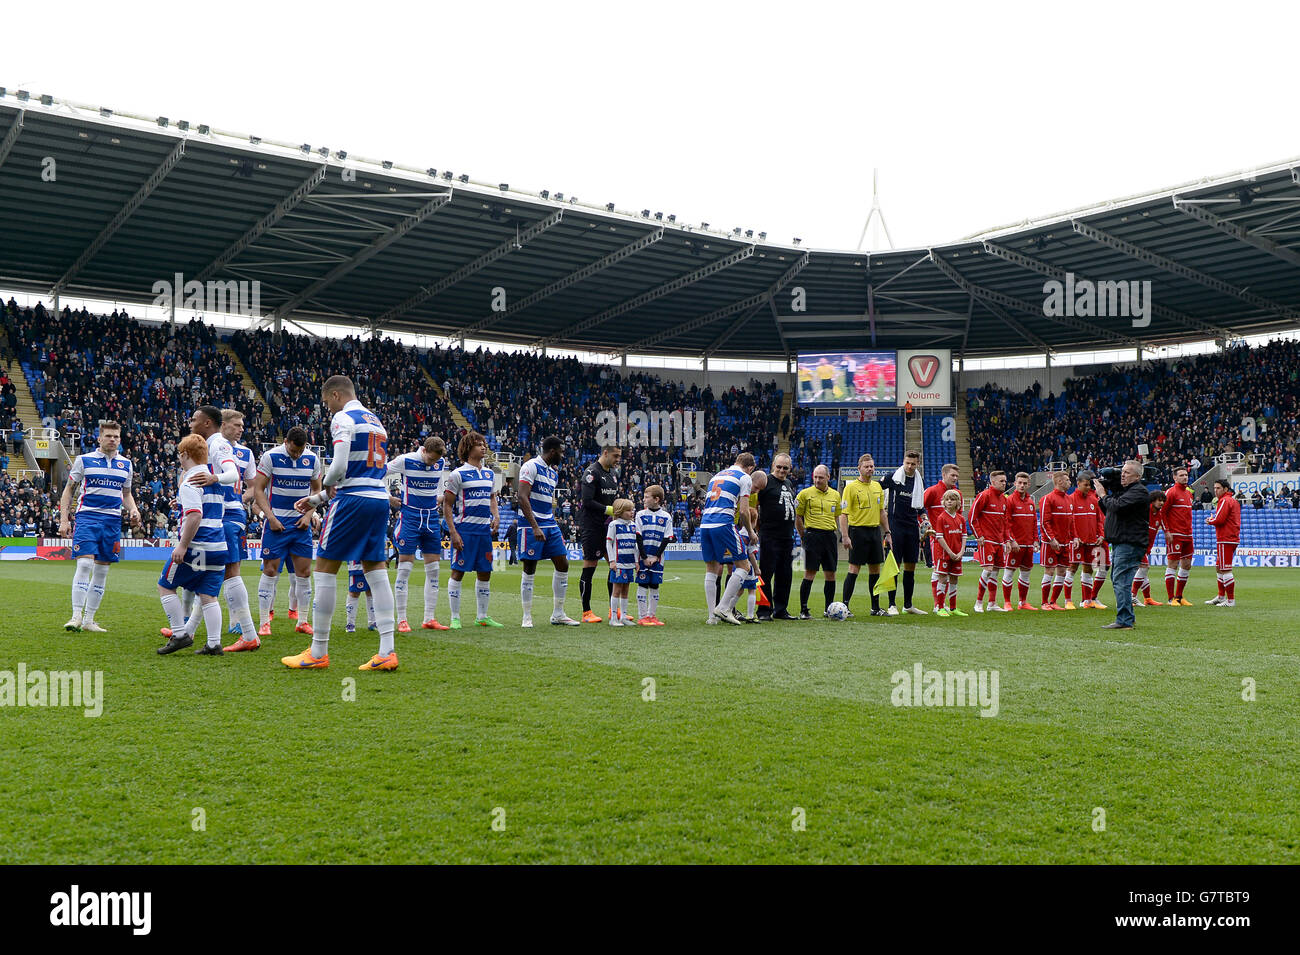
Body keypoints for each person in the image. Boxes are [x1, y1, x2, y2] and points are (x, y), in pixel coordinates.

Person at [283, 375, 400, 670]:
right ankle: (387, 651)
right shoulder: (375, 420)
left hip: (353, 501)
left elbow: (340, 467)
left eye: (326, 402)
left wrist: (326, 485)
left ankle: (318, 651)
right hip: (378, 498)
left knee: (324, 568)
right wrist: (317, 499)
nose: (327, 408)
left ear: (335, 395)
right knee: (376, 571)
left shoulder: (342, 418)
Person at [60, 420, 140, 633]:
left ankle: (89, 620)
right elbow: (68, 490)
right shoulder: (84, 460)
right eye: (108, 436)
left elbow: (126, 494)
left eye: (116, 437)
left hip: (112, 521)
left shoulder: (126, 464)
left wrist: (133, 509)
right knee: (85, 565)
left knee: (102, 571)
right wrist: (64, 520)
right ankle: (76, 616)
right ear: (99, 438)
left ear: (120, 440)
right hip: (87, 517)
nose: (112, 440)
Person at [156, 435, 228, 655]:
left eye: (180, 454)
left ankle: (179, 634)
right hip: (219, 546)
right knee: (208, 596)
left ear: (185, 454)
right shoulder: (215, 481)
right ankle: (214, 644)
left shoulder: (190, 480)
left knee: (165, 585)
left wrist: (183, 546)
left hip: (198, 546)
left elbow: (195, 516)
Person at [250, 426, 321, 639]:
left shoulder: (312, 459)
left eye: (300, 451)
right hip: (276, 523)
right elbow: (258, 490)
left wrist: (309, 515)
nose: (297, 454)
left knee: (304, 572)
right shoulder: (271, 457)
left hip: (301, 524)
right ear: (286, 442)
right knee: (270, 571)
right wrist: (270, 517)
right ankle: (264, 622)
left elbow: (317, 491)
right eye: (293, 450)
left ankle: (302, 621)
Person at [440, 430, 503, 629]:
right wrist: (453, 532)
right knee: (458, 571)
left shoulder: (489, 473)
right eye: (479, 444)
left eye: (484, 443)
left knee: (485, 572)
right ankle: (455, 617)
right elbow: (447, 505)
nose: (483, 447)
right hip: (464, 530)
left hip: (483, 530)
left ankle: (482, 616)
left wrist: (497, 515)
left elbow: (492, 497)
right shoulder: (457, 474)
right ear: (469, 449)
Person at [387, 435, 451, 632]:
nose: (433, 463)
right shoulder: (406, 460)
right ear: (423, 450)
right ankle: (402, 619)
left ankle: (429, 618)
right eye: (430, 459)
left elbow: (438, 488)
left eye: (436, 460)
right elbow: (379, 472)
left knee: (434, 571)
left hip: (432, 518)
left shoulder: (439, 463)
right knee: (405, 568)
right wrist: (387, 496)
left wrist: (443, 497)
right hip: (410, 517)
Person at [516, 436, 580, 628]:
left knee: (563, 563)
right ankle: (527, 616)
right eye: (561, 451)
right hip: (530, 525)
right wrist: (535, 526)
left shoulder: (553, 474)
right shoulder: (530, 466)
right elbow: (521, 496)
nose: (563, 455)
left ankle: (558, 614)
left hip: (549, 523)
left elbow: (545, 500)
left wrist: (550, 522)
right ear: (552, 451)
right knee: (530, 567)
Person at [700, 452, 761, 626]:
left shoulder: (717, 475)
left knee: (711, 569)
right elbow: (744, 511)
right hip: (723, 523)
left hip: (705, 524)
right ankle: (724, 607)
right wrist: (750, 532)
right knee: (744, 565)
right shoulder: (745, 477)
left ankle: (712, 617)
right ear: (750, 468)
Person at [1095, 460, 1154, 630]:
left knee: (1121, 581)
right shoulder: (1126, 492)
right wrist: (1106, 495)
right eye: (1122, 472)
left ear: (1137, 476)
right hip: (1123, 542)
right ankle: (1128, 617)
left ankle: (1125, 620)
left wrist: (1102, 494)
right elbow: (1109, 510)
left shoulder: (1139, 492)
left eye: (1127, 473)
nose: (1122, 475)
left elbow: (1117, 506)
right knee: (1120, 580)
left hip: (1129, 542)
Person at [839, 453, 891, 617]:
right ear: (859, 468)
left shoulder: (877, 487)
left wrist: (887, 532)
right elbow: (843, 514)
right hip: (857, 532)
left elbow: (882, 512)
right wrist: (845, 536)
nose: (870, 469)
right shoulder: (850, 488)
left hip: (874, 532)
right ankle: (845, 606)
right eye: (867, 466)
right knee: (854, 569)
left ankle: (875, 608)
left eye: (872, 466)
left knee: (875, 570)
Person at [876, 449, 927, 614]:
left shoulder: (919, 481)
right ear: (903, 462)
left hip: (912, 527)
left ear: (917, 464)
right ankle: (892, 604)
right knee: (893, 567)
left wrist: (924, 517)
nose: (910, 467)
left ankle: (908, 605)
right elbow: (876, 488)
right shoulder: (893, 477)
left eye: (913, 464)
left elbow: (920, 505)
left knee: (911, 567)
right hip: (895, 526)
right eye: (907, 463)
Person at [578, 446, 621, 622]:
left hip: (608, 528)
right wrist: (609, 509)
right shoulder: (591, 472)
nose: (618, 459)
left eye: (620, 456)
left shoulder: (612, 474)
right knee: (590, 566)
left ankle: (613, 609)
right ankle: (586, 612)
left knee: (614, 566)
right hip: (592, 527)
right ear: (605, 453)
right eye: (615, 455)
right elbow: (586, 501)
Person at [795, 464, 842, 620]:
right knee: (810, 573)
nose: (817, 480)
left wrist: (836, 531)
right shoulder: (804, 494)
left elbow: (837, 516)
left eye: (821, 477)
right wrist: (804, 536)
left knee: (831, 574)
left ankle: (829, 609)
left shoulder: (836, 495)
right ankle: (803, 609)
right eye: (815, 477)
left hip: (829, 537)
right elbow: (798, 517)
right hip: (812, 536)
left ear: (828, 477)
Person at [755, 453, 798, 621]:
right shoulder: (765, 481)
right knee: (765, 573)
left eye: (785, 467)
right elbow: (754, 507)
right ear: (773, 465)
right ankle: (764, 610)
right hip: (769, 536)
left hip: (787, 537)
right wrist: (759, 529)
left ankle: (781, 609)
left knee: (785, 574)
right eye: (779, 466)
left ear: (789, 469)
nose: (781, 470)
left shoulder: (789, 483)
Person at [969, 470, 1010, 613]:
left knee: (995, 572)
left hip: (999, 542)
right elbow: (972, 516)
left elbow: (1005, 522)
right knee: (988, 570)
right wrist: (979, 535)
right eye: (1001, 481)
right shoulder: (984, 496)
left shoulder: (1004, 499)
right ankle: (978, 602)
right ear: (993, 482)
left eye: (1005, 481)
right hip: (987, 540)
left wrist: (1007, 540)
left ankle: (992, 603)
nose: (1004, 483)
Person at [634, 484, 674, 626]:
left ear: (656, 499)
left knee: (655, 584)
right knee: (643, 583)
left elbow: (666, 538)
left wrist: (656, 557)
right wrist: (644, 557)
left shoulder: (666, 516)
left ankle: (652, 616)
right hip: (643, 557)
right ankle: (642, 616)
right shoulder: (640, 515)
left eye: (646, 497)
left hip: (658, 558)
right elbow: (638, 537)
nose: (643, 499)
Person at [923, 464, 962, 610]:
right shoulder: (932, 491)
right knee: (938, 571)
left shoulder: (957, 493)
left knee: (951, 573)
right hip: (937, 539)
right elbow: (919, 508)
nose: (955, 478)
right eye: (953, 475)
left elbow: (958, 515)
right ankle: (937, 605)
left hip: (953, 540)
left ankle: (946, 605)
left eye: (957, 476)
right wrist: (925, 525)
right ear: (944, 475)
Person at [1070, 472, 1108, 610]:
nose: (1088, 487)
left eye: (1089, 485)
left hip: (1094, 540)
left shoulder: (1094, 500)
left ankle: (1087, 600)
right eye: (1085, 485)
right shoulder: (1071, 499)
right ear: (1078, 483)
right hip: (1078, 541)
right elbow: (1070, 521)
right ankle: (1068, 600)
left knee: (1091, 568)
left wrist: (1101, 534)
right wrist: (1074, 536)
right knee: (1072, 568)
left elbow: (1099, 520)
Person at [929, 489, 967, 616]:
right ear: (943, 502)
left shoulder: (961, 519)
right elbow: (939, 537)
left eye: (953, 499)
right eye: (947, 499)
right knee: (943, 579)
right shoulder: (941, 518)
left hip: (957, 555)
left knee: (954, 579)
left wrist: (961, 552)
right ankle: (940, 607)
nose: (949, 501)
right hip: (944, 555)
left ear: (958, 502)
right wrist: (950, 552)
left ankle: (953, 608)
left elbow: (964, 537)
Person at [1038, 471, 1073, 610]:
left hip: (1065, 542)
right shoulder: (1047, 499)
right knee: (1050, 571)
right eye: (1067, 479)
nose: (1070, 482)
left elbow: (1072, 521)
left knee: (1062, 572)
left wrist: (1074, 537)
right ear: (1059, 482)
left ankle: (1053, 602)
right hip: (1051, 543)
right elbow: (1045, 522)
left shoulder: (1069, 499)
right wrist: (1051, 539)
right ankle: (1044, 602)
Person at [1004, 472, 1039, 609]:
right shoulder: (1010, 500)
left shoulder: (1031, 502)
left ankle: (1022, 602)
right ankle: (1007, 602)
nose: (1022, 485)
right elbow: (1006, 523)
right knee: (1009, 571)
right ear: (1015, 484)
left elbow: (1034, 522)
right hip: (1015, 544)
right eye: (1020, 483)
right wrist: (1012, 540)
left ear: (1029, 485)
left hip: (1028, 544)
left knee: (1026, 573)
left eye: (1025, 483)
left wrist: (1036, 540)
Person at [1162, 466, 1195, 606]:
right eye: (1181, 475)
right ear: (1174, 478)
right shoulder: (1171, 492)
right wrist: (1167, 531)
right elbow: (1162, 513)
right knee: (1173, 564)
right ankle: (1171, 598)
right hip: (1175, 534)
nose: (1185, 477)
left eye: (1186, 475)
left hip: (1188, 534)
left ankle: (1179, 596)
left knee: (1186, 565)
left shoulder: (1188, 493)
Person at [1206, 478, 1241, 607]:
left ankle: (1230, 600)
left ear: (1225, 489)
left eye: (1218, 488)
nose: (1215, 491)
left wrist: (1210, 520)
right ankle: (1221, 597)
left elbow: (1220, 520)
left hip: (1226, 538)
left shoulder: (1225, 500)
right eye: (1214, 488)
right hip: (1230, 537)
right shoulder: (1232, 500)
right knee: (1219, 566)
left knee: (1225, 569)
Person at [605, 498, 640, 626]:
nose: (632, 513)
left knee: (626, 590)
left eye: (632, 510)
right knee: (617, 589)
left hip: (630, 562)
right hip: (618, 563)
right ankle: (613, 617)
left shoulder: (633, 525)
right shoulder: (613, 525)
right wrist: (612, 561)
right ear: (620, 511)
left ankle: (624, 617)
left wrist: (636, 562)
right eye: (629, 510)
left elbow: (635, 546)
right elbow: (609, 543)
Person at [1131, 489, 1166, 606]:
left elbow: (1153, 534)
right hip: (1136, 544)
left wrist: (1149, 548)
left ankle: (1147, 598)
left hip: (1145, 547)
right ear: (1152, 501)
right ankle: (1132, 596)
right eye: (1159, 500)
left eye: (1163, 501)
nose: (1161, 503)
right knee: (1144, 568)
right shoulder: (1144, 511)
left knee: (1143, 572)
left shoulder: (1159, 515)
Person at [345, 561, 377, 632]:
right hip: (357, 566)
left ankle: (373, 623)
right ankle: (350, 624)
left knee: (371, 592)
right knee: (354, 593)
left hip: (372, 564)